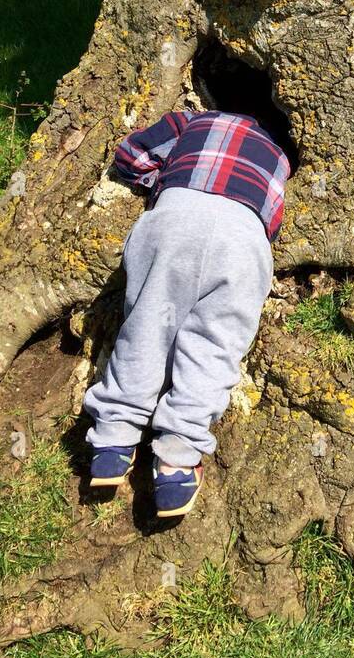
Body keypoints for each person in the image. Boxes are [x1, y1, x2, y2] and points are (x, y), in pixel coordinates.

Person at [84, 109, 290, 516]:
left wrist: (155, 179)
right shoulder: (282, 152)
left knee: (145, 326)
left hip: (176, 216)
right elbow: (274, 222)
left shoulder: (190, 120)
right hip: (243, 236)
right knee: (214, 345)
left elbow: (131, 155)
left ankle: (112, 439)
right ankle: (177, 460)